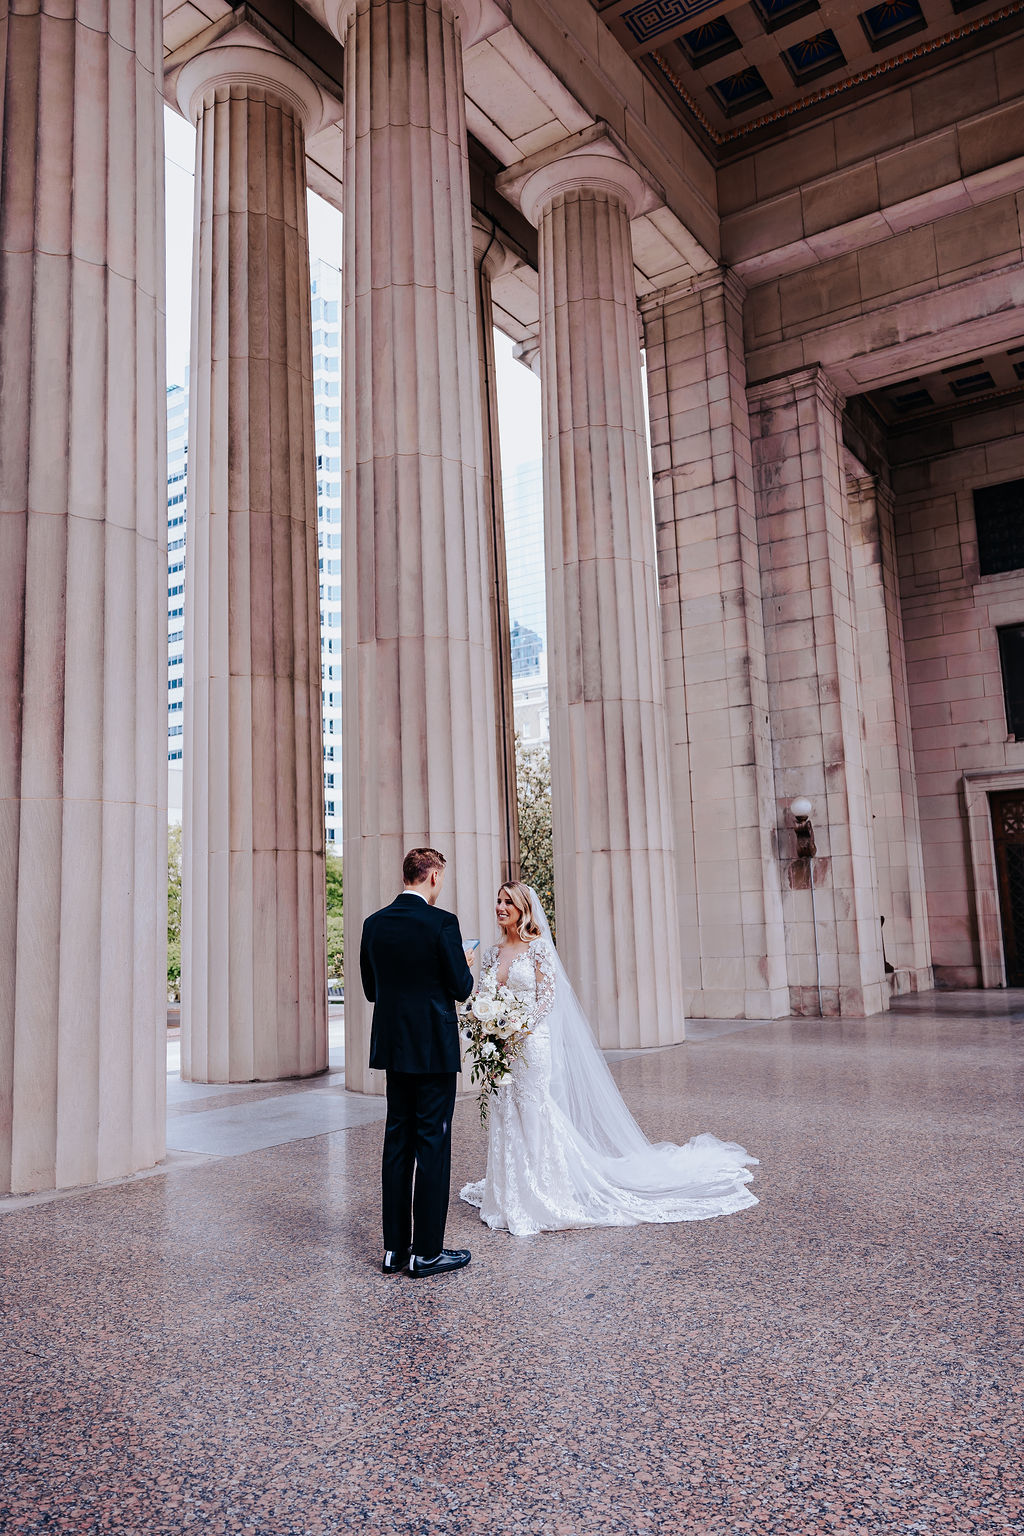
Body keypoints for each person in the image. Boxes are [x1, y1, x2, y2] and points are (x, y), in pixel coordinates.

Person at [460, 882, 759, 1236]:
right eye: (498, 901)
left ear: (523, 908)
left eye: (508, 901)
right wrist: (480, 1007)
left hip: (531, 1043)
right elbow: (483, 995)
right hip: (501, 1050)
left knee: (533, 1111)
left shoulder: (537, 947)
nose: (500, 906)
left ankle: (541, 1192)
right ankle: (509, 1193)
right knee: (504, 1109)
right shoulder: (493, 954)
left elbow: (547, 999)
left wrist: (518, 1028)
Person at [360, 848, 475, 1277]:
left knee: (397, 1143)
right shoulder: (442, 922)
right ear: (431, 876)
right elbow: (461, 988)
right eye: (440, 877)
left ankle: (394, 1251)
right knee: (432, 1145)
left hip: (394, 1050)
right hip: (433, 1050)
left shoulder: (374, 924)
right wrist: (462, 963)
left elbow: (372, 990)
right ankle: (427, 1252)